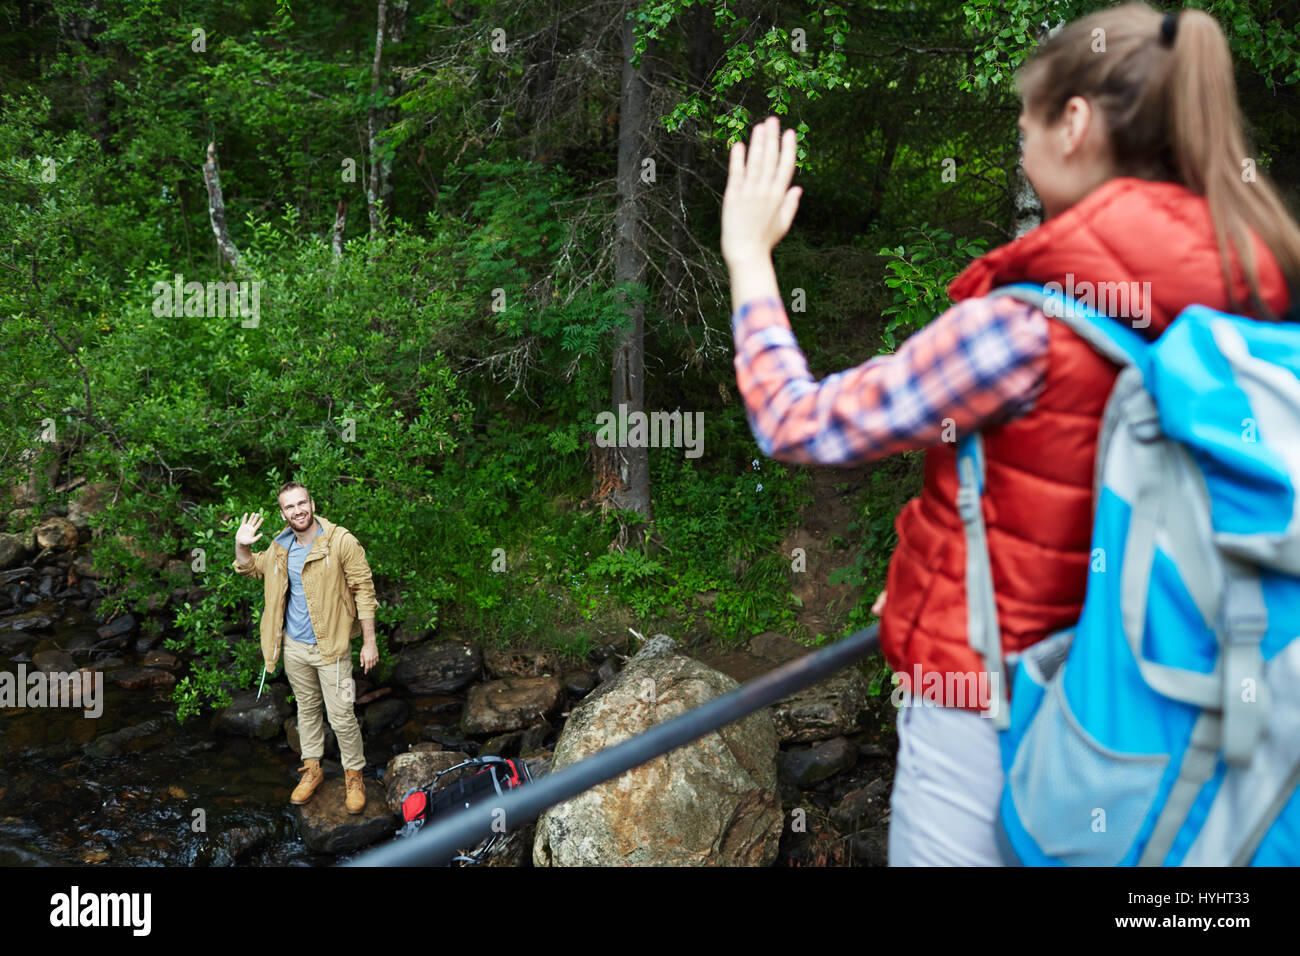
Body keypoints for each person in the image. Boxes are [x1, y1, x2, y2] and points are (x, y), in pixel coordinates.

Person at [720, 3, 1300, 865]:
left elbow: (798, 422)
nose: (1023, 143)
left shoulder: (1021, 327)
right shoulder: (1257, 297)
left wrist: (748, 256)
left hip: (992, 704)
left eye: (1027, 119)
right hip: (1169, 689)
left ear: (1073, 123)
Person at [233, 482, 380, 814]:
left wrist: (369, 643)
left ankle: (354, 775)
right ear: (283, 513)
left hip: (333, 647)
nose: (297, 510)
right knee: (307, 710)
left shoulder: (340, 541)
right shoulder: (281, 546)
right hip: (294, 647)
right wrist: (241, 545)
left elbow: (364, 591)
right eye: (290, 507)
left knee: (342, 716)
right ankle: (312, 770)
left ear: (312, 504)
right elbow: (251, 568)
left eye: (302, 503)